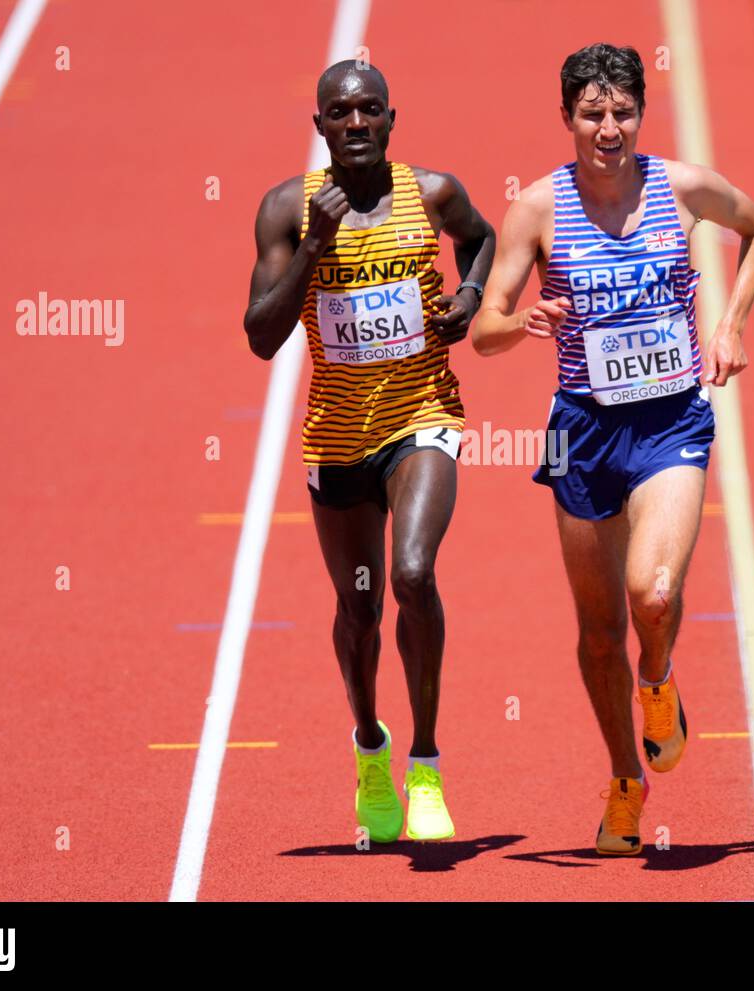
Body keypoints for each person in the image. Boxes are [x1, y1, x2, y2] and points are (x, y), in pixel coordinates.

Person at [472, 43, 754, 855]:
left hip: (672, 419)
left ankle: (659, 681)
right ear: (567, 117)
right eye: (592, 114)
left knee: (654, 589)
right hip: (582, 431)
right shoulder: (537, 209)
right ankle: (623, 779)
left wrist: (731, 323)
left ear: (641, 111)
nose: (610, 128)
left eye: (623, 112)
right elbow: (485, 328)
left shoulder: (681, 187)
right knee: (599, 627)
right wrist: (524, 323)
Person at [243, 60, 495, 842]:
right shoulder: (288, 209)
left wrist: (469, 298)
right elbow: (261, 335)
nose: (356, 123)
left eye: (369, 110)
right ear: (320, 126)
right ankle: (370, 745)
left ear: (392, 119)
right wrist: (315, 248)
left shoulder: (436, 193)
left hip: (422, 416)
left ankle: (425, 763)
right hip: (338, 436)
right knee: (357, 609)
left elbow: (481, 242)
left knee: (412, 574)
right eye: (340, 112)